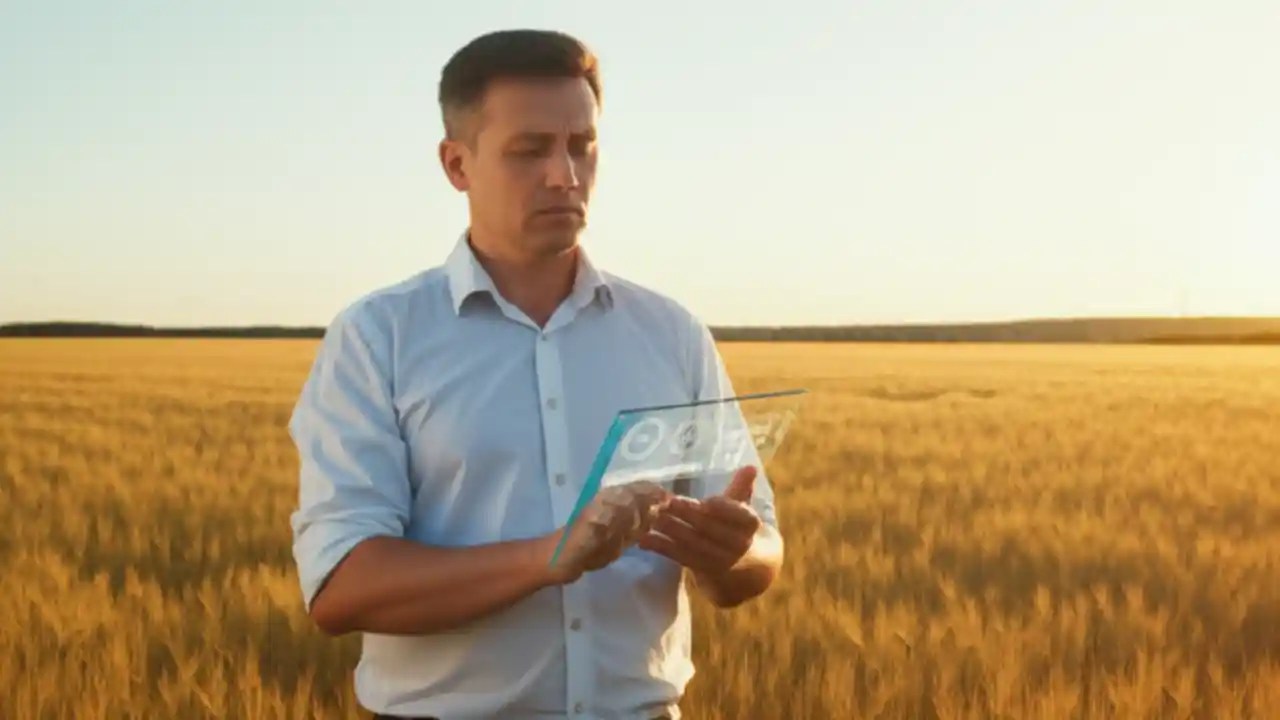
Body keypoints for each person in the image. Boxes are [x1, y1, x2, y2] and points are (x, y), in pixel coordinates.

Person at [287, 28, 785, 720]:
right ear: (456, 165)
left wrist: (731, 552)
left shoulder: (670, 333)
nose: (565, 174)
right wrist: (551, 556)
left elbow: (759, 554)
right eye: (530, 150)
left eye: (582, 146)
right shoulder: (378, 337)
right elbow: (341, 587)